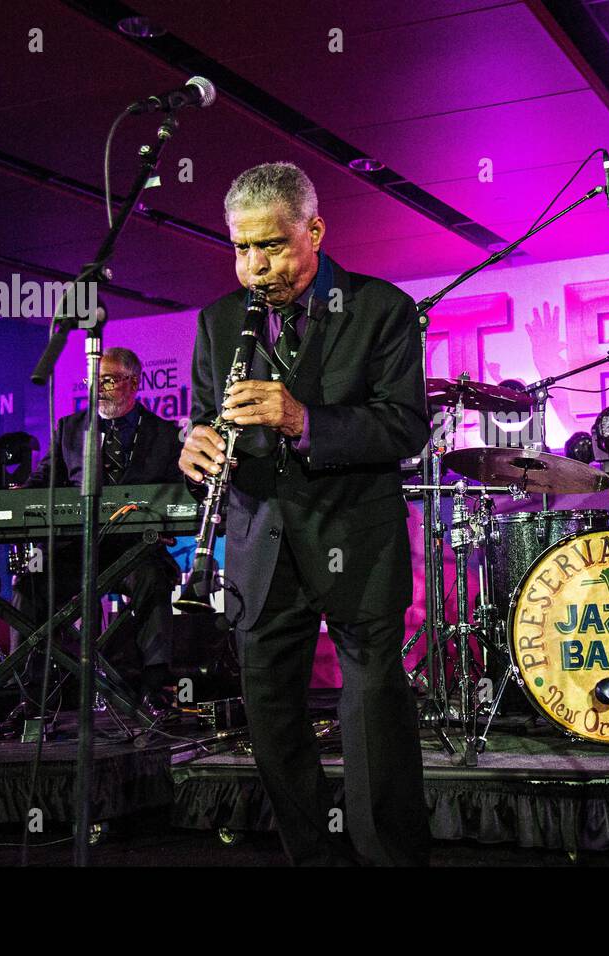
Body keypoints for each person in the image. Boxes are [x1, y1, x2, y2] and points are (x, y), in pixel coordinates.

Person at [179, 162, 431, 867]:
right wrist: (194, 448)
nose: (255, 268)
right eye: (241, 248)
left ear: (314, 231)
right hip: (258, 543)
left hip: (357, 537)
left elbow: (406, 427)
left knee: (372, 712)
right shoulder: (217, 321)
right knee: (270, 720)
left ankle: (389, 860)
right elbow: (204, 419)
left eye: (272, 246)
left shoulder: (382, 308)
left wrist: (303, 420)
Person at [0, 348, 181, 736]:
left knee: (153, 579)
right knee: (30, 584)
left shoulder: (165, 434)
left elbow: (179, 494)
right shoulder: (69, 428)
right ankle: (30, 699)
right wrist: (15, 498)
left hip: (133, 549)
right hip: (77, 549)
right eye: (93, 380)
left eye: (108, 380)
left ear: (134, 383)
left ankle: (156, 689)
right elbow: (44, 481)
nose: (98, 388)